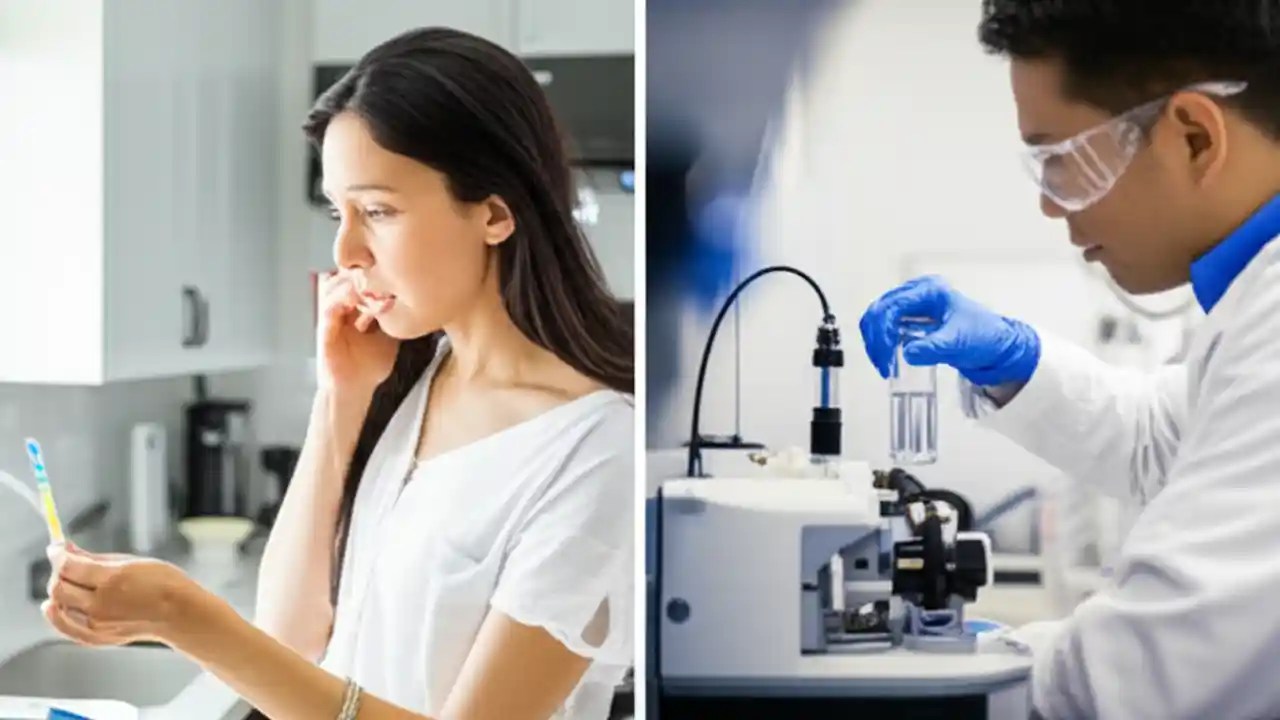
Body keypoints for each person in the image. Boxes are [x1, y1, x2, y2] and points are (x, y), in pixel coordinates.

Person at [42, 27, 634, 720]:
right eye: (337, 211)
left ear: (495, 214)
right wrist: (340, 398)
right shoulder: (419, 381)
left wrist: (180, 612)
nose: (345, 249)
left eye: (377, 211)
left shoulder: (594, 453)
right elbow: (287, 640)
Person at [859, 2, 1280, 718]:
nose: (1052, 207)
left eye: (1061, 160)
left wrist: (967, 668)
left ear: (1194, 140)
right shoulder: (1252, 306)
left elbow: (1156, 679)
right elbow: (1162, 442)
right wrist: (1012, 362)